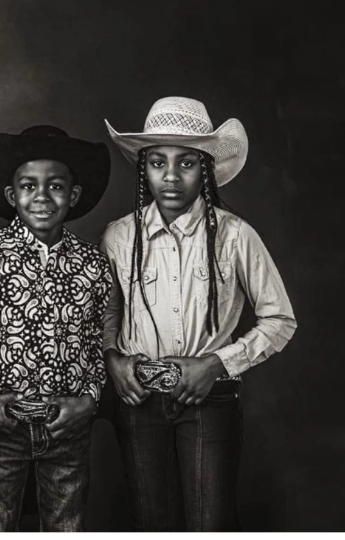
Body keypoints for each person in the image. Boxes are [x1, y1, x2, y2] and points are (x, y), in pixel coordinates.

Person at [100, 96, 298, 531]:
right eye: (157, 162)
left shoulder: (235, 236)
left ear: (205, 169)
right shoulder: (119, 236)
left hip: (210, 399)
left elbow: (280, 320)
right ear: (144, 169)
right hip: (139, 397)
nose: (170, 176)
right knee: (151, 520)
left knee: (210, 521)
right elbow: (108, 313)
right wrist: (113, 359)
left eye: (186, 163)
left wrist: (216, 364)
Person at [0, 125, 113, 531]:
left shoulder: (92, 263)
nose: (42, 196)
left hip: (66, 426)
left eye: (56, 186)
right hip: (0, 426)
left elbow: (99, 340)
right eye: (28, 186)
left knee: (65, 526)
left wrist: (90, 399)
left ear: (73, 195)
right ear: (10, 195)